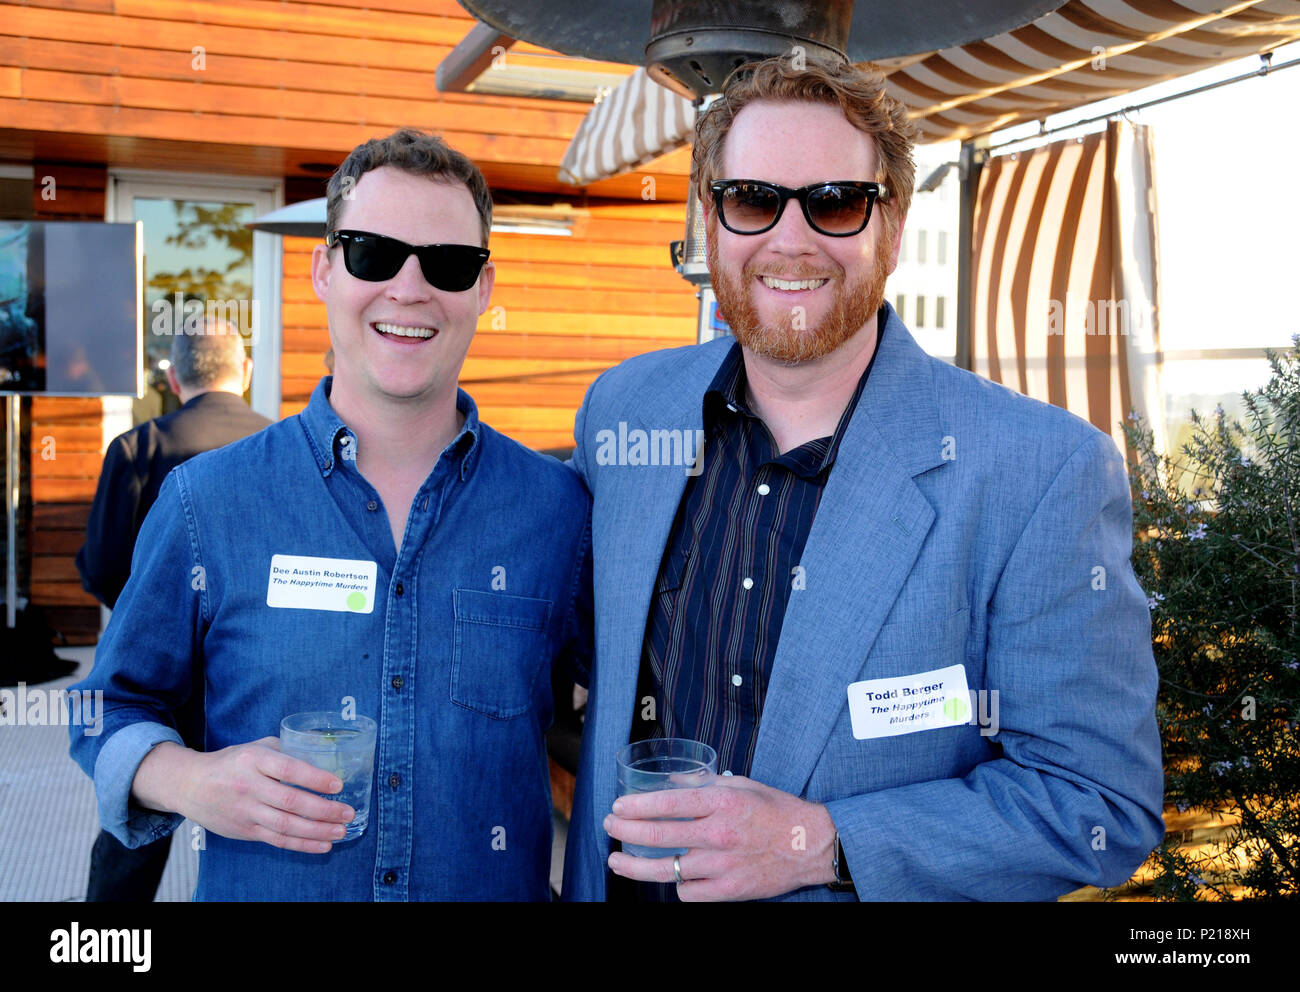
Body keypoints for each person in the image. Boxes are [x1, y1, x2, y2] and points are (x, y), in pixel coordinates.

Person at [562, 56, 1165, 902]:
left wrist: (820, 844)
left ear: (894, 225)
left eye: (836, 202)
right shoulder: (624, 411)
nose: (790, 239)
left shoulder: (1041, 471)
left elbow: (1096, 803)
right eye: (753, 200)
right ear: (710, 216)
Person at [69, 128, 591, 901]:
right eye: (374, 254)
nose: (409, 288)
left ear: (483, 288)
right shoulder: (206, 502)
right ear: (324, 269)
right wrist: (188, 779)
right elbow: (101, 704)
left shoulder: (558, 509)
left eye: (447, 263)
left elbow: (638, 707)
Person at [75, 322, 271, 901]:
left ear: (173, 379)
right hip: (257, 682)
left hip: (158, 683)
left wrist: (151, 628)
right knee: (266, 830)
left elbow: (103, 566)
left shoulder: (136, 447)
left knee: (133, 832)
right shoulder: (285, 449)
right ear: (246, 372)